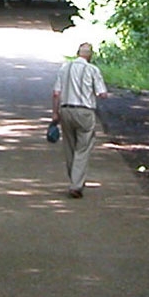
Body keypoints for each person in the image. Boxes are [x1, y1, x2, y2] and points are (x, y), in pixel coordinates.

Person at [50, 41, 108, 198]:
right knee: (83, 148)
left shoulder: (64, 68)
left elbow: (56, 93)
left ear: (77, 53)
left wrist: (55, 113)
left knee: (69, 146)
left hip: (66, 110)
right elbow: (102, 93)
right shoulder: (92, 70)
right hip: (85, 112)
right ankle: (76, 185)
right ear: (90, 56)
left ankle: (74, 180)